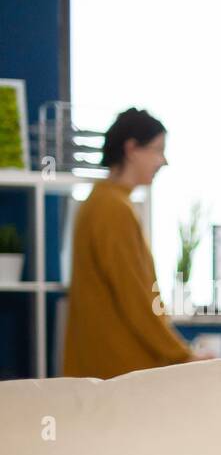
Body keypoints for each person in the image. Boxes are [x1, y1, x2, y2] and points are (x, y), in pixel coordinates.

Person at [64, 108, 208, 378]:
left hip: (108, 372)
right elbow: (136, 299)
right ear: (131, 149)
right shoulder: (113, 209)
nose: (163, 161)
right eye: (157, 150)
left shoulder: (103, 201)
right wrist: (184, 355)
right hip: (120, 374)